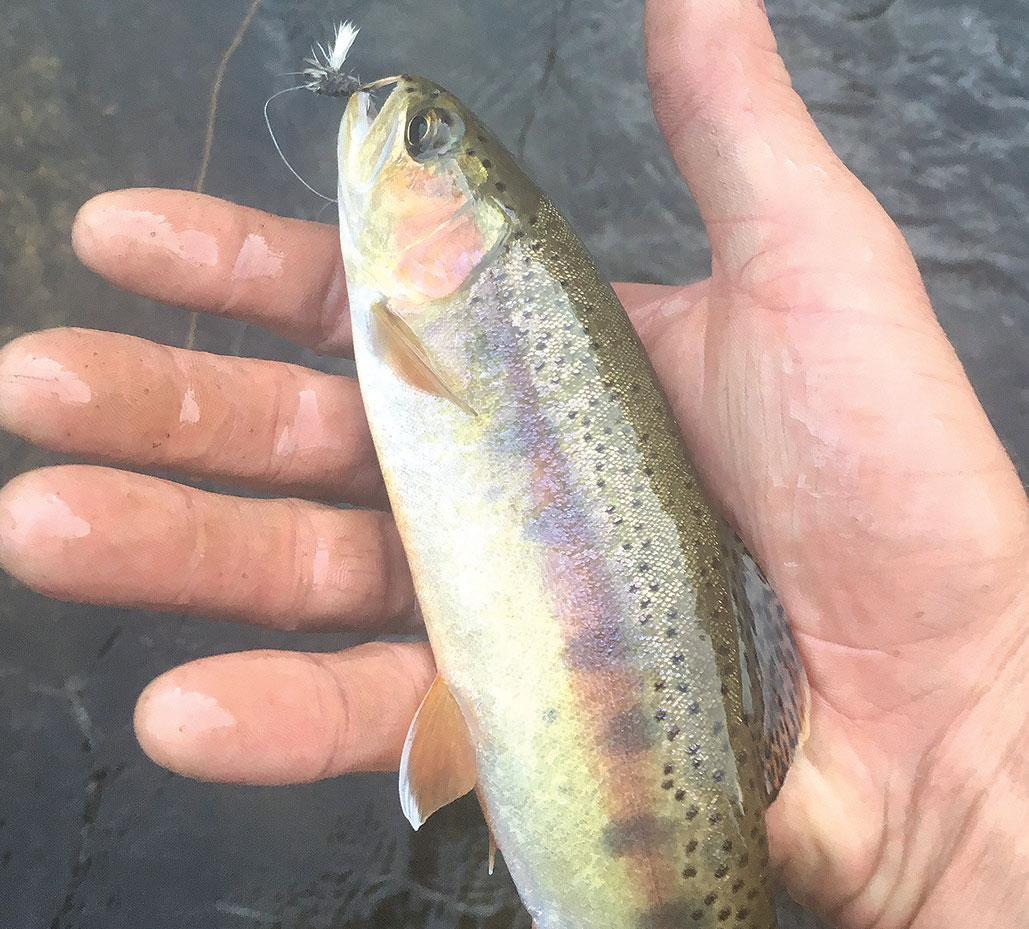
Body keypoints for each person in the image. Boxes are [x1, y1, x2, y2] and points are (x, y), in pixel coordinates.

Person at [0, 0, 1025, 925]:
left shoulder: (429, 321)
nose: (400, 121)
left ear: (476, 237)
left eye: (424, 138)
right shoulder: (424, 319)